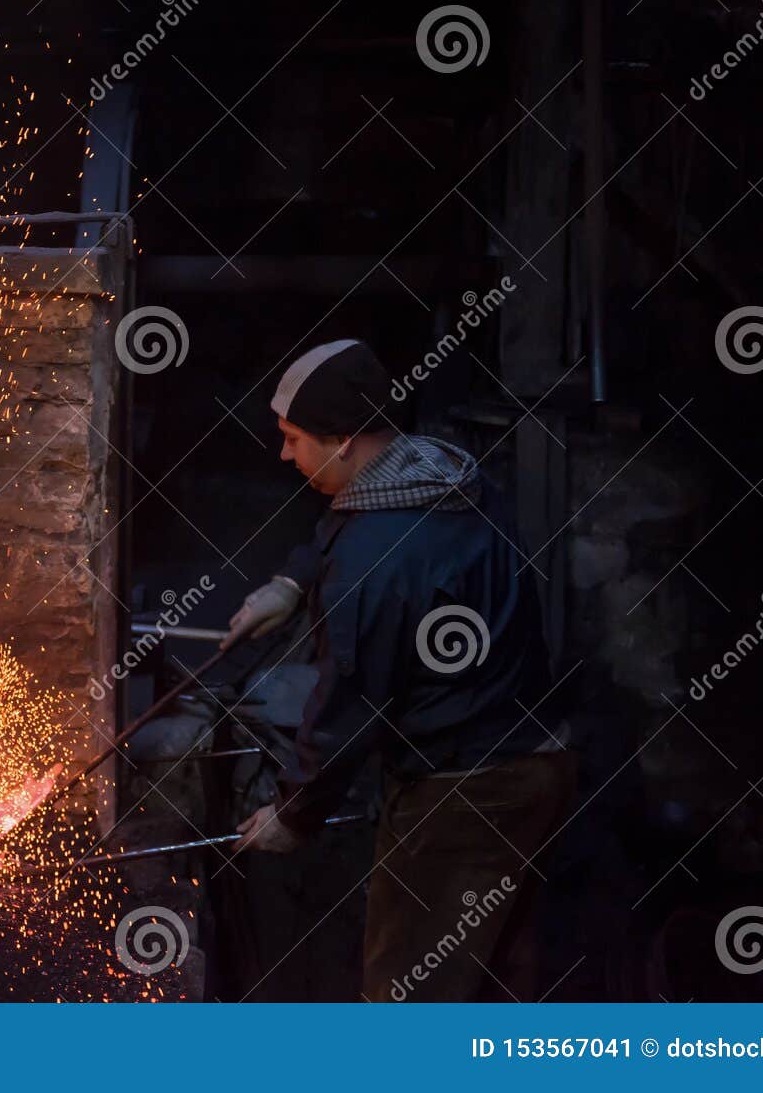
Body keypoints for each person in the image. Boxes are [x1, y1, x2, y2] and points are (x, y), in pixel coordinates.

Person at [222, 338, 576, 1001]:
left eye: (296, 439)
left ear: (346, 439)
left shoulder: (373, 563)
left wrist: (294, 814)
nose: (284, 454)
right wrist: (291, 584)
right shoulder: (442, 473)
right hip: (537, 762)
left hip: (466, 791)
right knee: (495, 975)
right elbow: (351, 524)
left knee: (410, 994)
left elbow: (345, 711)